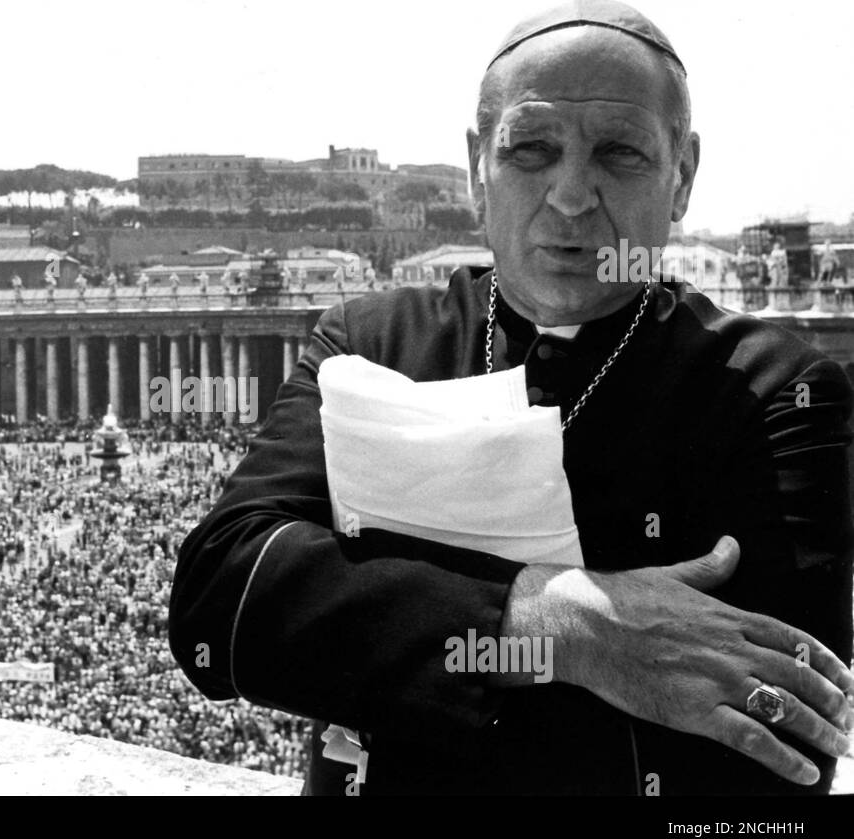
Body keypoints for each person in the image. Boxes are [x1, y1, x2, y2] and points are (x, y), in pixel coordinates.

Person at [170, 0, 854, 796]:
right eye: (531, 149)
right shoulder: (368, 344)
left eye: (619, 154)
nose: (571, 197)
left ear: (682, 177)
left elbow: (783, 744)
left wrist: (402, 623)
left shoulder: (779, 389)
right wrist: (555, 626)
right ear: (476, 169)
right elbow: (220, 603)